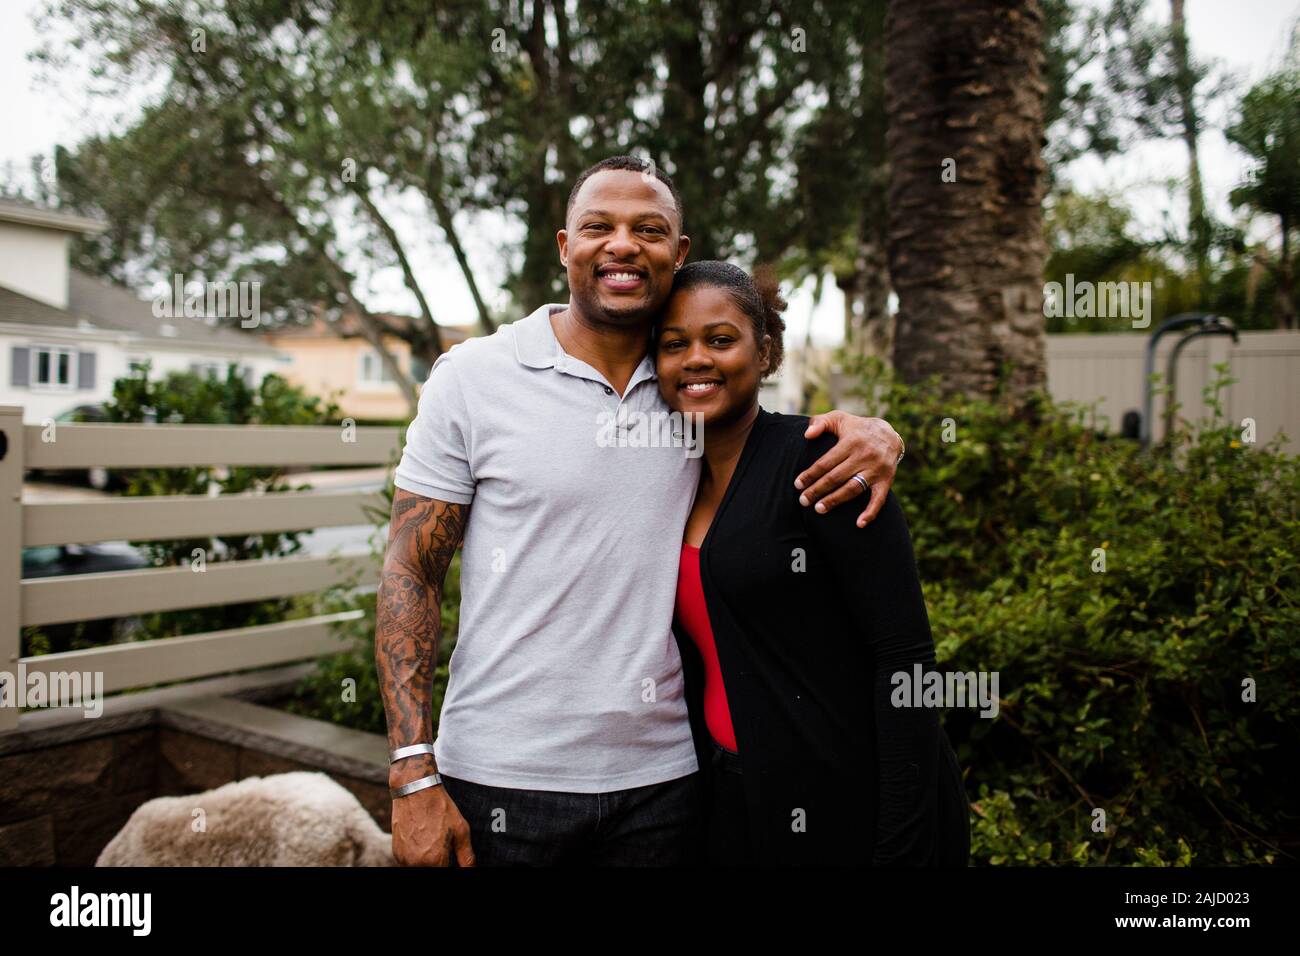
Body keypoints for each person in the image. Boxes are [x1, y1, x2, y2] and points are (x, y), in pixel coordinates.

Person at [376, 155, 906, 867]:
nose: (622, 244)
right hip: (501, 780)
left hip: (668, 784)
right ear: (566, 248)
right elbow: (412, 569)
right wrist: (413, 770)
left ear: (677, 253)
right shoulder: (476, 378)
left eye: (647, 228)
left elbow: (767, 435)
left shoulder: (689, 385)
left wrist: (873, 432)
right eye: (599, 226)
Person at [658, 260, 970, 866]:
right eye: (674, 345)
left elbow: (904, 659)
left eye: (721, 340)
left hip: (847, 801)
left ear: (766, 351)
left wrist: (902, 845)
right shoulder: (669, 477)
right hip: (732, 800)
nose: (696, 359)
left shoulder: (823, 462)